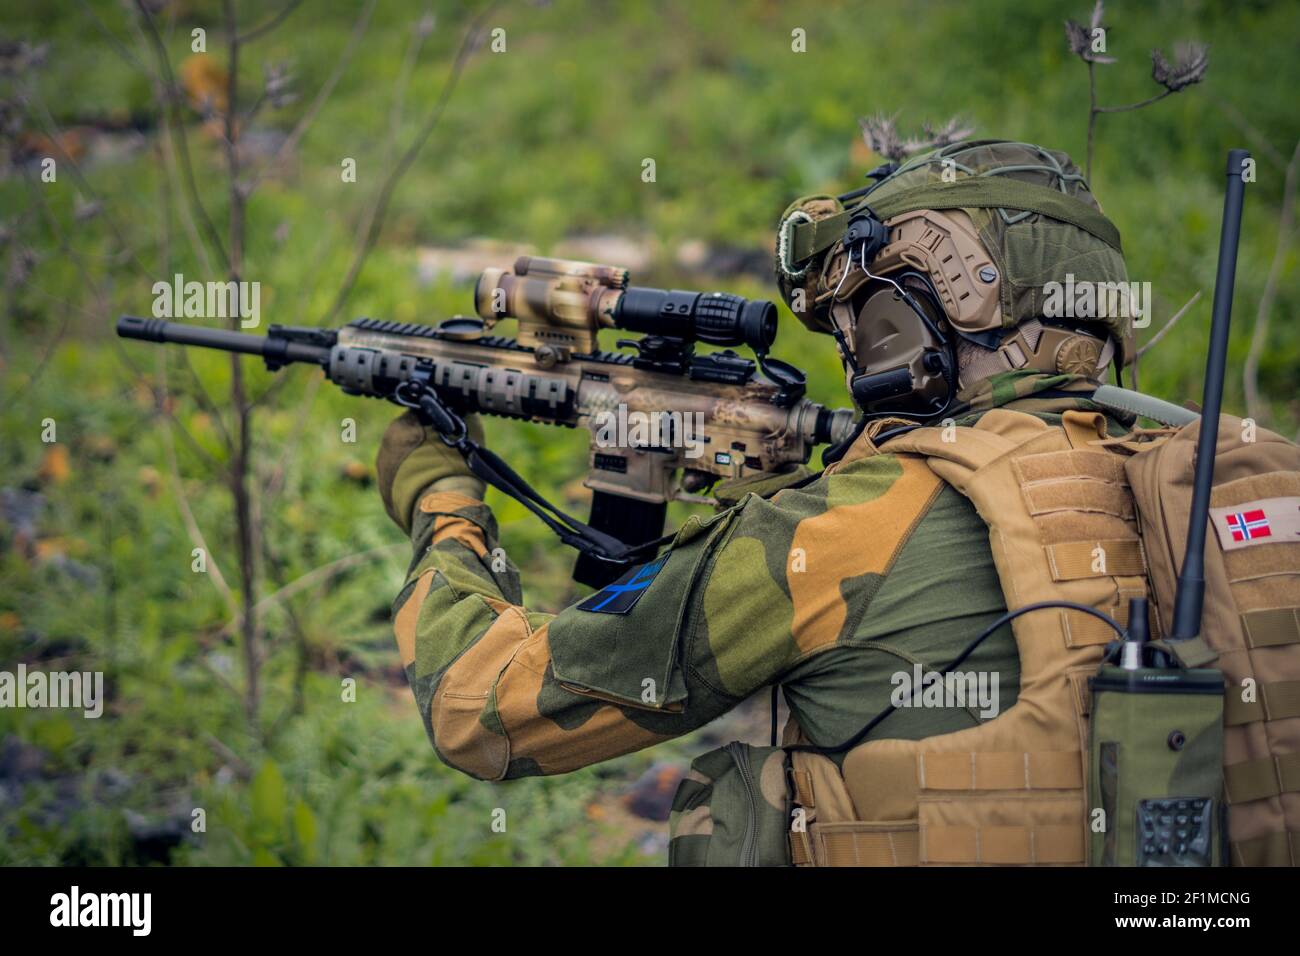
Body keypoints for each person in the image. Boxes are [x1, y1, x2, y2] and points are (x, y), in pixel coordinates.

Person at [376, 140, 1150, 866]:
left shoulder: (837, 532)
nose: (851, 354)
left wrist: (440, 496)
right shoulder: (1209, 481)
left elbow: (477, 706)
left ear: (918, 319)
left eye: (862, 320)